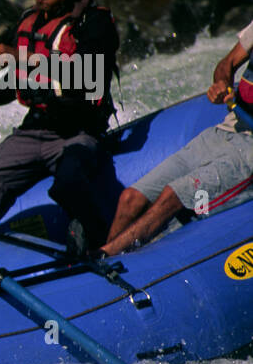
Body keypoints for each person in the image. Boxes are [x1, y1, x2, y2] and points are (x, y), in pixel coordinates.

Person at [0, 0, 120, 253]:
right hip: (33, 129)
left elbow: (88, 77)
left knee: (69, 182)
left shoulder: (96, 23)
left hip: (79, 131)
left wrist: (20, 58)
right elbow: (11, 83)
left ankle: (102, 244)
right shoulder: (28, 21)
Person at [101, 18, 253, 256]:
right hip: (225, 131)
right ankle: (104, 266)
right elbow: (227, 63)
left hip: (250, 151)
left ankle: (105, 258)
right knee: (130, 198)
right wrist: (222, 82)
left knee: (173, 195)